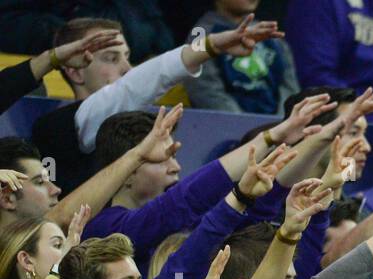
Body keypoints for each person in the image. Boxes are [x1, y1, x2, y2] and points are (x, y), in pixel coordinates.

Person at [33, 15, 283, 191]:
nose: (126, 68)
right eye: (110, 58)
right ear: (75, 72)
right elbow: (136, 85)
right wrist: (211, 45)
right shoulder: (56, 127)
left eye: (127, 57)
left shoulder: (148, 127)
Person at [185, 1, 301, 114]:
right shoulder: (201, 35)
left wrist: (281, 122)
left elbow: (289, 87)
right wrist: (243, 124)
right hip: (228, 127)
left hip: (277, 127)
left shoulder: (270, 35)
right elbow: (205, 90)